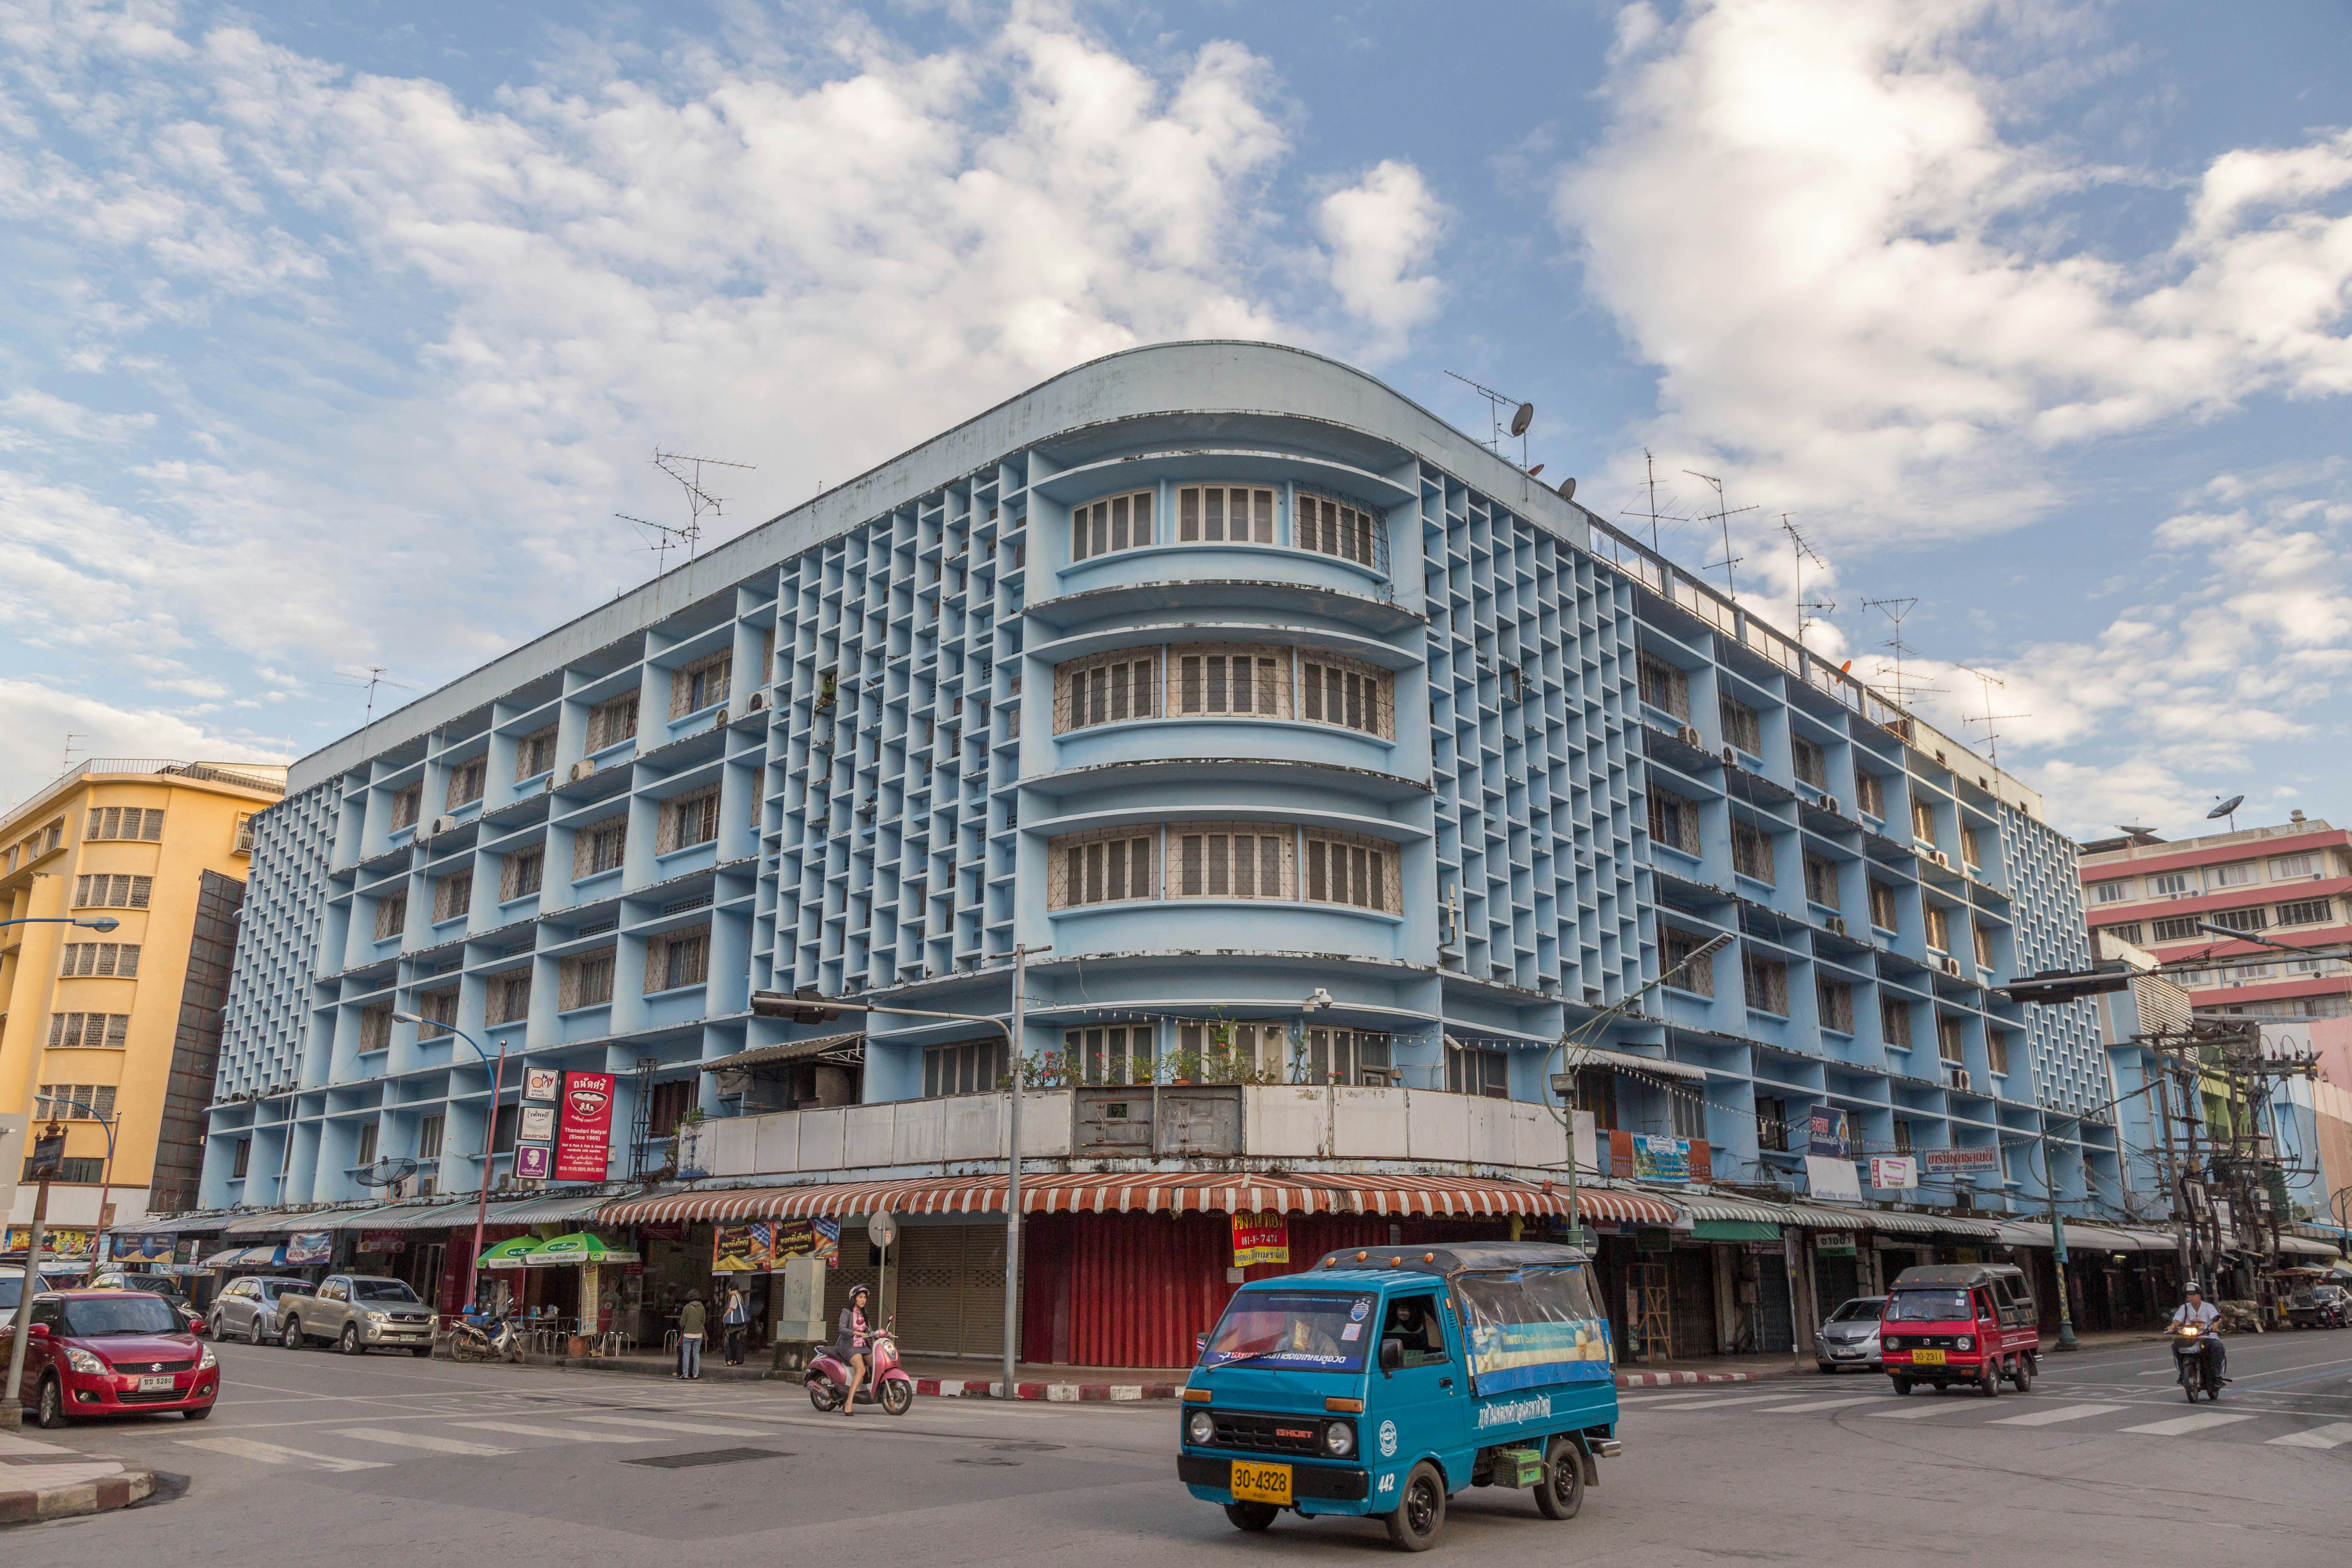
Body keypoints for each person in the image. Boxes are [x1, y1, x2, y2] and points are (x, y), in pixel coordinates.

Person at [2170, 1282, 2227, 1383]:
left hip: (2208, 1338)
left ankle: (2218, 1375)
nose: (2191, 1297)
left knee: (2218, 1347)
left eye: (2194, 1295)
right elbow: (2177, 1320)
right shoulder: (2185, 1308)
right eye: (2189, 1295)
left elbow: (2216, 1320)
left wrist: (2215, 1327)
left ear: (2200, 1295)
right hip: (2189, 1339)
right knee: (2175, 1346)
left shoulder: (2209, 1307)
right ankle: (2182, 1374)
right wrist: (2173, 1326)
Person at [836, 1283, 873, 1414]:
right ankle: (849, 1402)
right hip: (849, 1346)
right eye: (861, 1297)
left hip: (863, 1346)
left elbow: (869, 1329)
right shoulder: (846, 1312)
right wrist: (856, 1333)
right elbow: (842, 1329)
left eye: (865, 1298)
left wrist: (879, 1333)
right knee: (861, 1369)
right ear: (854, 1299)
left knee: (878, 1362)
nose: (863, 1300)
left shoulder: (864, 1313)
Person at [677, 1290, 706, 1380]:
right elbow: (704, 1320)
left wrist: (684, 1326)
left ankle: (685, 1375)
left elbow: (682, 1322)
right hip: (699, 1334)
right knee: (696, 1354)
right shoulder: (702, 1307)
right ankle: (695, 1375)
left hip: (688, 1334)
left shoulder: (687, 1307)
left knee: (686, 1354)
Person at [723, 1284, 749, 1366]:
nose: (728, 1292)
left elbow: (732, 1308)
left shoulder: (735, 1296)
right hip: (739, 1323)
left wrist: (725, 1315)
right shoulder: (740, 1296)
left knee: (732, 1341)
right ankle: (736, 1359)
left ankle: (731, 1360)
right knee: (735, 1340)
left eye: (728, 1290)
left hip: (734, 1322)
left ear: (730, 1289)